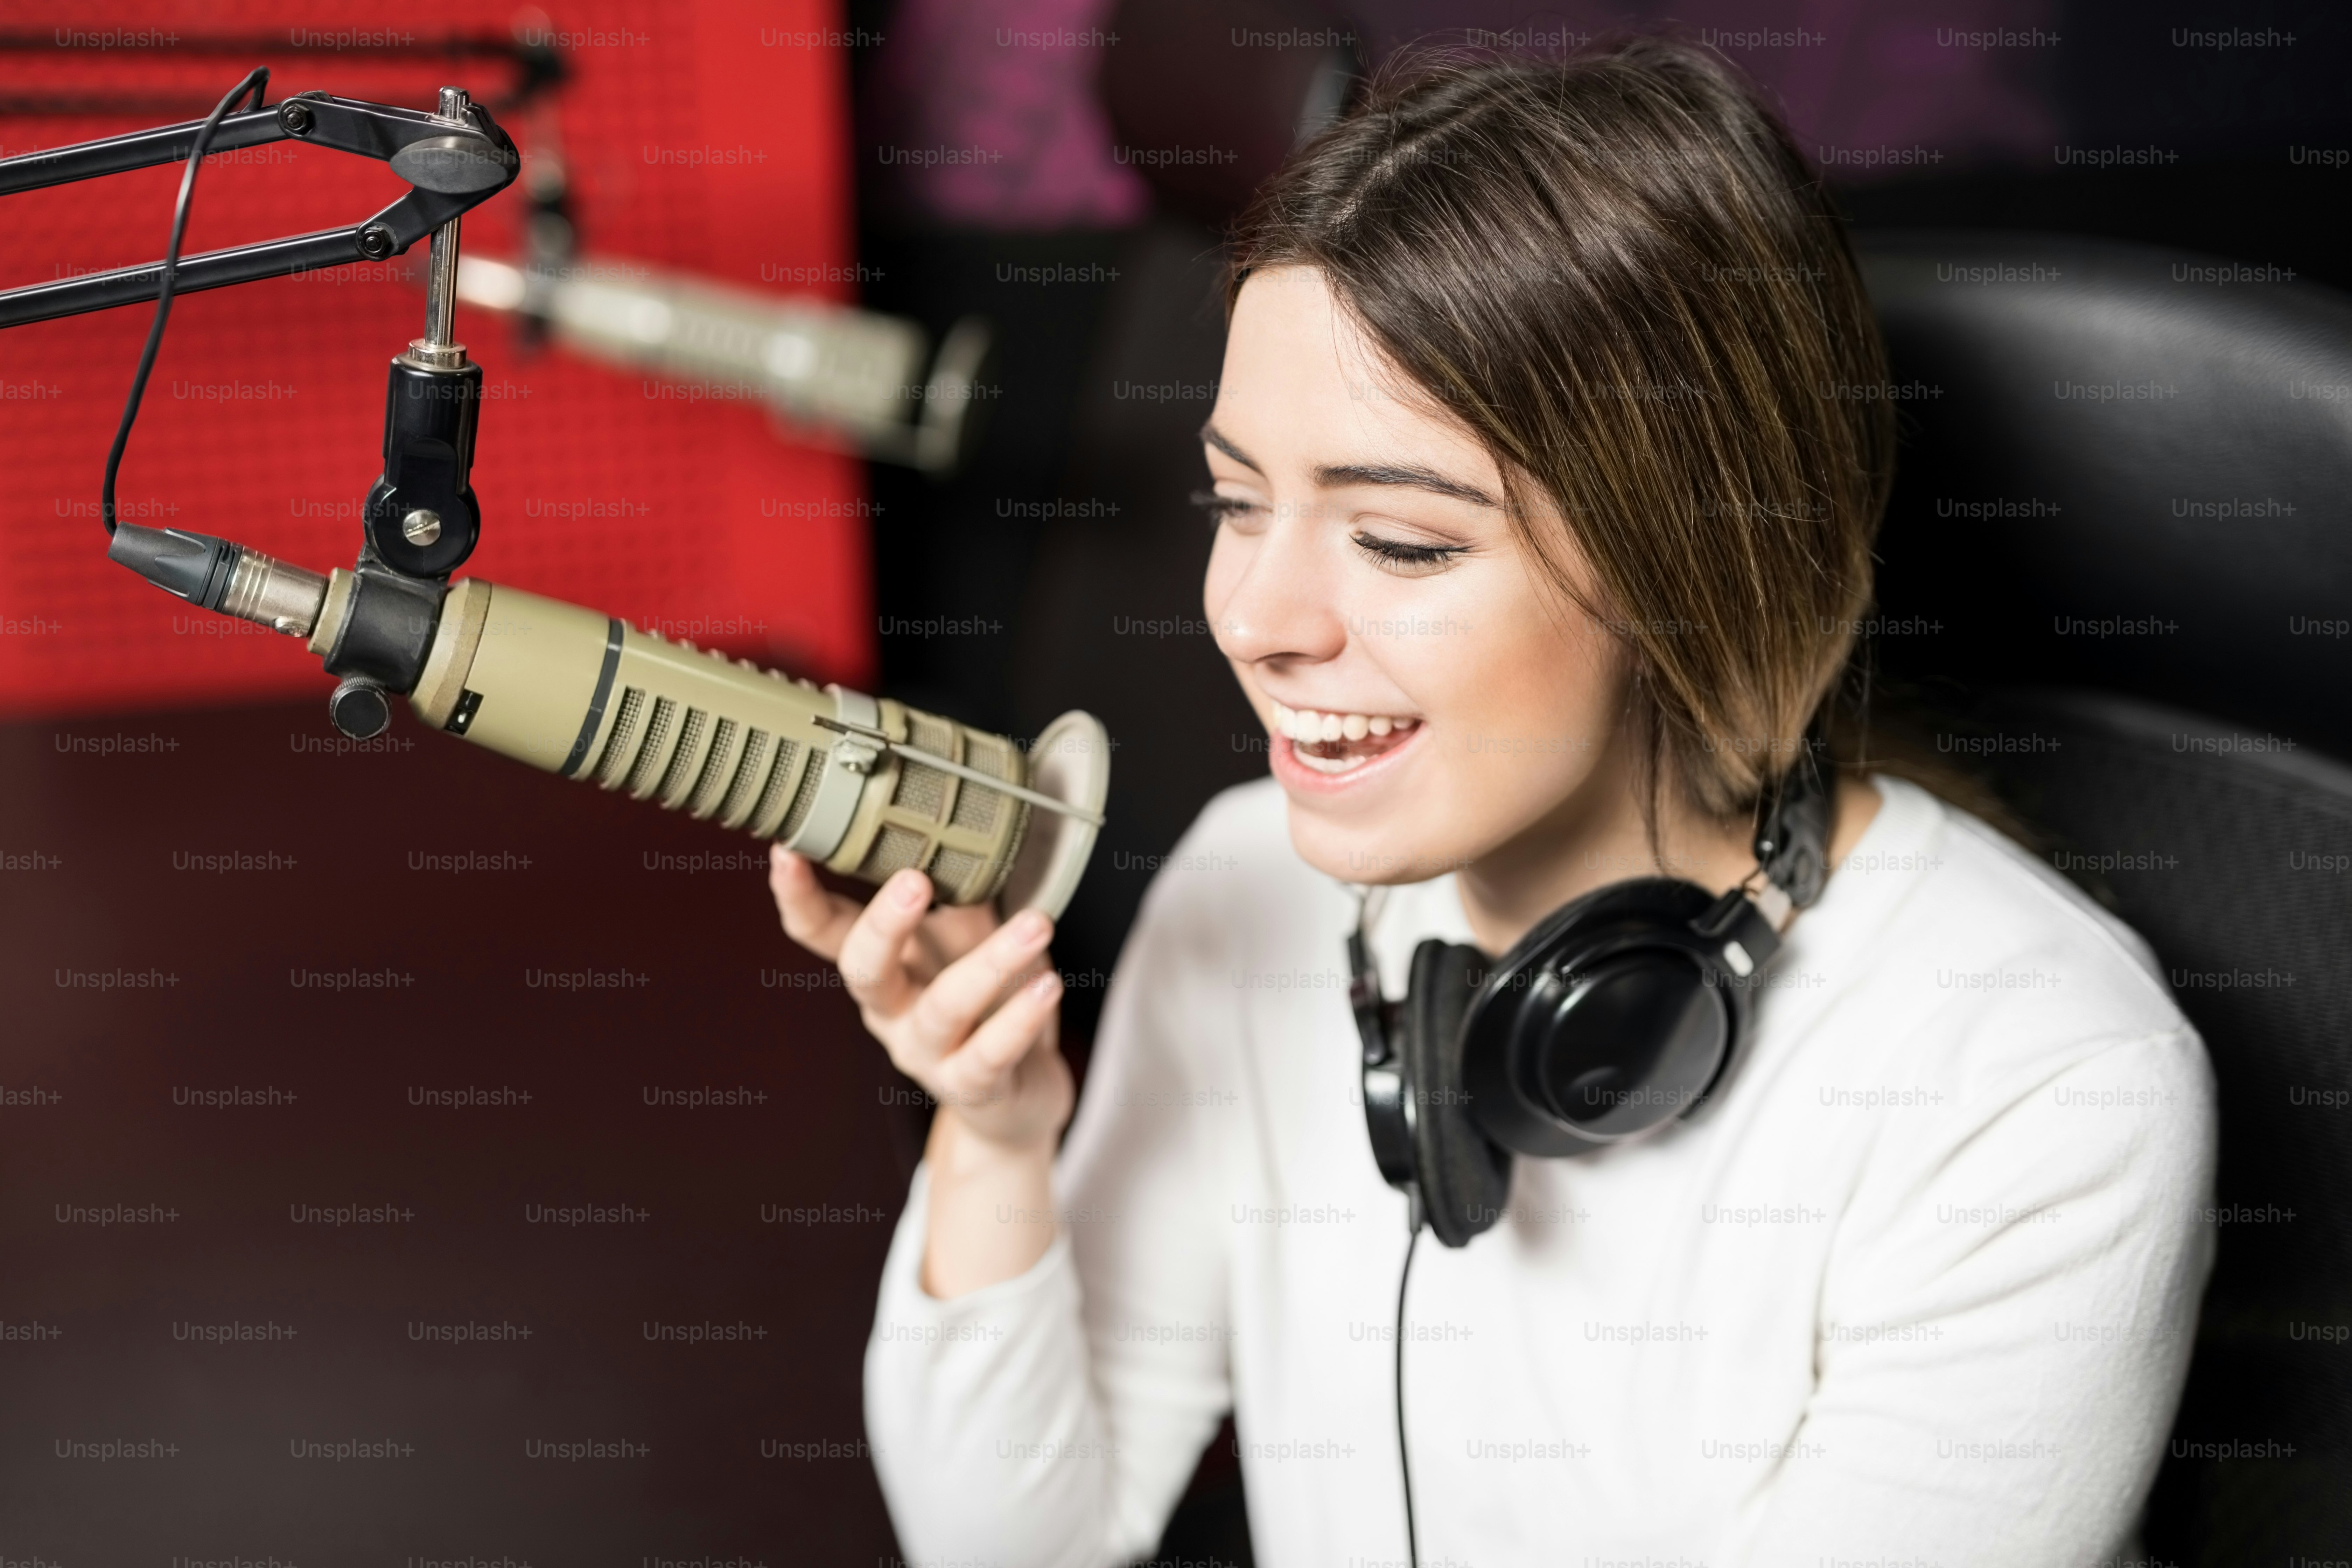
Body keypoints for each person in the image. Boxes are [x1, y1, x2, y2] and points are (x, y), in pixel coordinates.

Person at [770, 34, 2216, 1568]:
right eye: (1238, 501)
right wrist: (996, 1141)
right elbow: (1018, 1546)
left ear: (1690, 565)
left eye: (1399, 543)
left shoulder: (2045, 1086)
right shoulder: (1247, 888)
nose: (1256, 617)